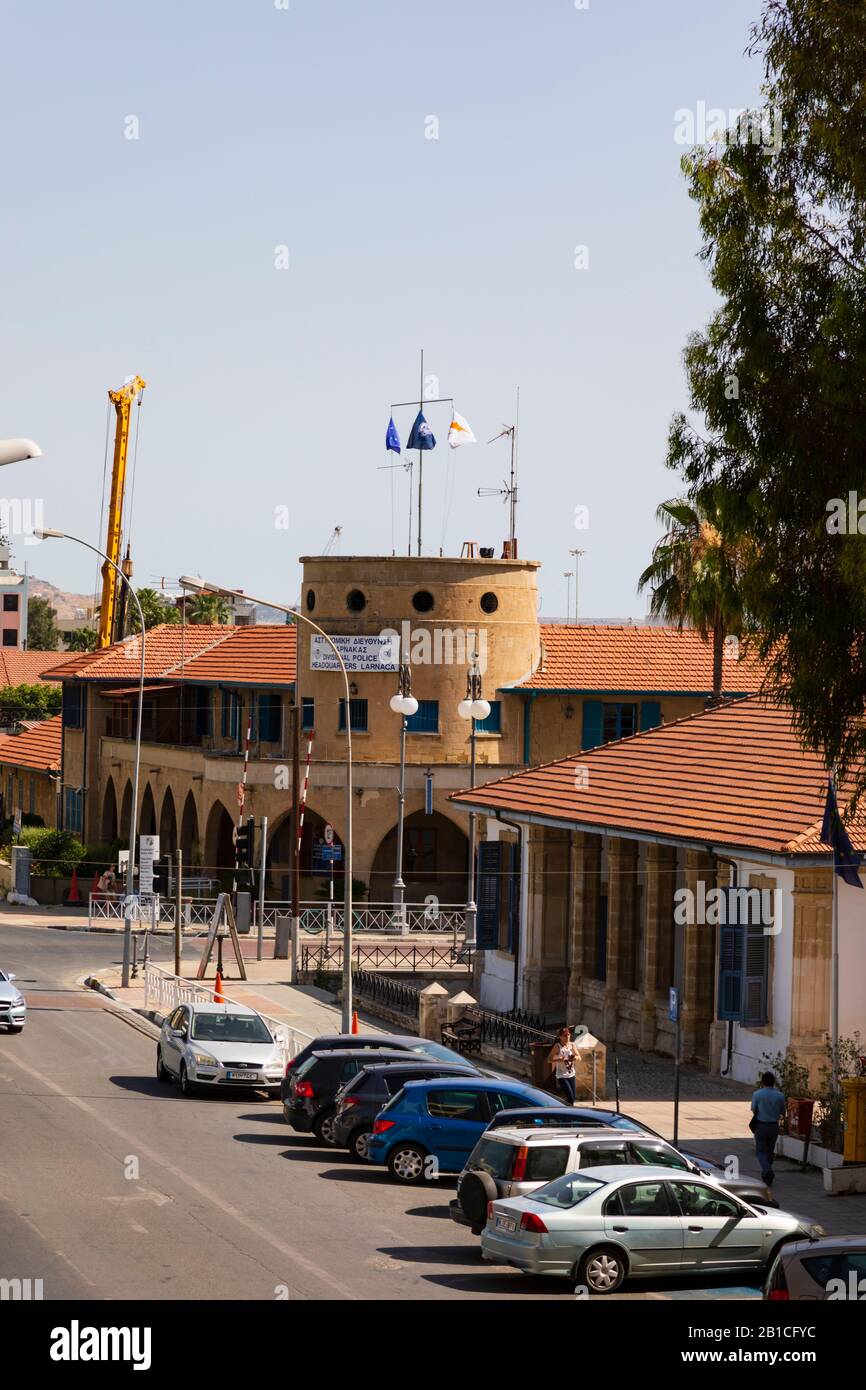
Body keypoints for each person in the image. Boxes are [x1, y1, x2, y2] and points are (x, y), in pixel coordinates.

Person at [751, 1070, 786, 1186]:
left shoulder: (757, 1094)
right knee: (769, 1151)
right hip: (774, 1126)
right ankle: (767, 1175)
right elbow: (782, 1111)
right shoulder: (780, 1095)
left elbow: (753, 1109)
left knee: (760, 1151)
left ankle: (767, 1171)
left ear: (763, 1082)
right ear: (774, 1082)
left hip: (761, 1125)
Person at [549, 1026, 577, 1105]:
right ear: (560, 1037)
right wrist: (559, 1059)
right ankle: (565, 1111)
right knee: (571, 1098)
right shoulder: (557, 1046)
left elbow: (579, 1057)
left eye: (568, 1035)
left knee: (573, 1098)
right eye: (565, 1035)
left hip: (571, 1074)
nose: (567, 1037)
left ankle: (563, 1107)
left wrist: (573, 1058)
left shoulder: (572, 1045)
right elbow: (549, 1059)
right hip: (562, 1076)